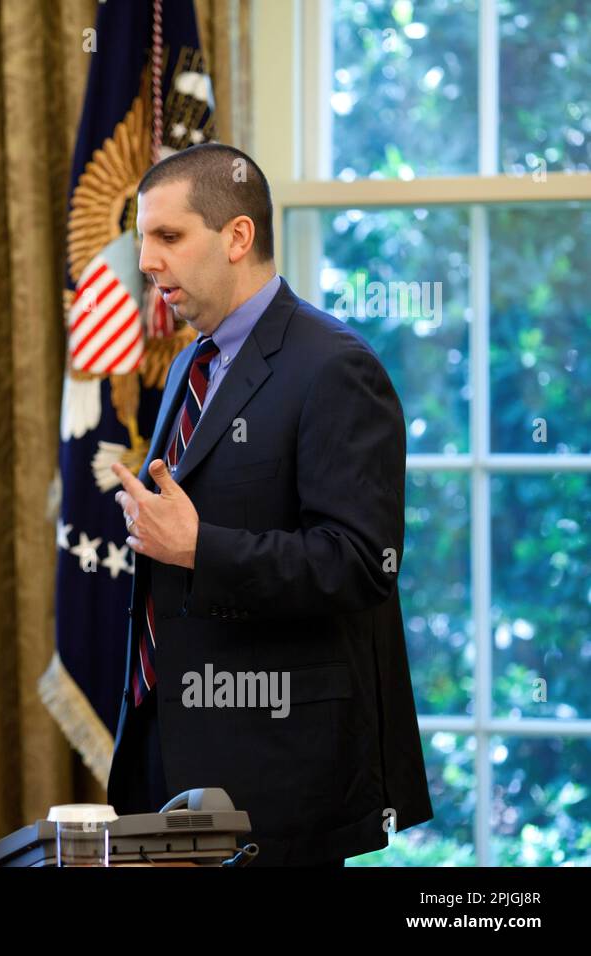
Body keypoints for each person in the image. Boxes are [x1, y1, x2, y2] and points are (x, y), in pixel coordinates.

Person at [107, 143, 432, 866]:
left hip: (278, 777)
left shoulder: (336, 367)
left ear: (237, 237)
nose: (148, 264)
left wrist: (200, 547)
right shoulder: (194, 361)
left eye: (167, 237)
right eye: (142, 243)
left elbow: (359, 563)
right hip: (170, 756)